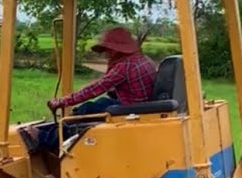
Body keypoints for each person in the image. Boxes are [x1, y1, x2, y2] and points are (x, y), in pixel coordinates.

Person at [23, 26, 158, 152]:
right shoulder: (144, 60)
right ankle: (54, 132)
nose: (106, 55)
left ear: (117, 49)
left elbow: (94, 89)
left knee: (86, 110)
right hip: (138, 105)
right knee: (100, 103)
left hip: (131, 110)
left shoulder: (124, 66)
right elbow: (131, 87)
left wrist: (62, 102)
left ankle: (45, 138)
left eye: (108, 50)